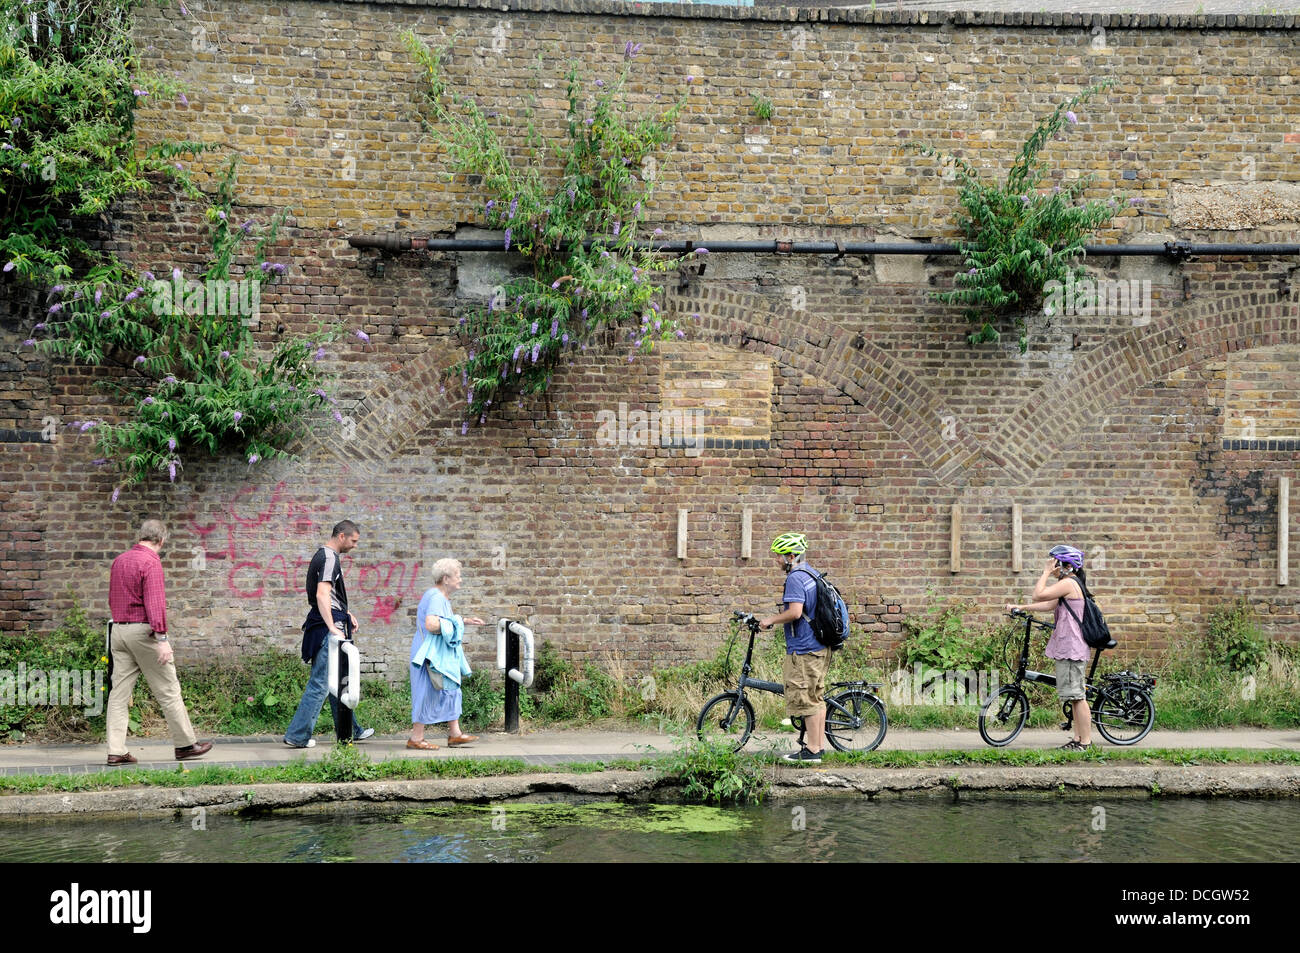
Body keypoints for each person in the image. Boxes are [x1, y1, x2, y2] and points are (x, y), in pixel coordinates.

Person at [105, 520, 212, 765]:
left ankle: (116, 750)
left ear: (141, 536)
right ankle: (185, 745)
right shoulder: (150, 562)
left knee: (119, 694)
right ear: (161, 541)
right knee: (168, 690)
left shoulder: (120, 560)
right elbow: (154, 603)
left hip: (118, 631)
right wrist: (162, 639)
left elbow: (113, 597)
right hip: (143, 633)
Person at [283, 520, 375, 748]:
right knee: (322, 683)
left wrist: (346, 613)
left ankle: (352, 730)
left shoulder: (323, 556)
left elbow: (330, 597)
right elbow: (322, 594)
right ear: (341, 536)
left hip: (330, 622)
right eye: (353, 540)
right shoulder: (329, 557)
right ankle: (297, 735)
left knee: (337, 680)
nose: (355, 546)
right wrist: (333, 626)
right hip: (327, 628)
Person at [1007, 544, 1092, 750]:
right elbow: (1048, 604)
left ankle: (1086, 742)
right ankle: (1077, 740)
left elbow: (1039, 594)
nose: (1053, 567)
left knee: (1078, 696)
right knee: (1073, 696)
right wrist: (1023, 608)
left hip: (1072, 648)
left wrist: (1045, 572)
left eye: (1056, 563)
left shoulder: (1069, 583)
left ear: (1066, 565)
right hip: (1068, 646)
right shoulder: (1068, 585)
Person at [759, 533, 830, 763]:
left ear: (791, 556)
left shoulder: (795, 578)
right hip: (819, 646)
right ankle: (817, 747)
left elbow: (796, 613)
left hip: (804, 648)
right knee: (816, 697)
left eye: (779, 556)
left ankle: (811, 751)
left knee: (807, 699)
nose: (776, 561)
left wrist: (770, 619)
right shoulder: (811, 572)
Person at [407, 558, 484, 750]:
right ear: (445, 578)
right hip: (430, 655)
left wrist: (463, 620)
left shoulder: (440, 598)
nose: (460, 580)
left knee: (451, 689)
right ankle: (416, 739)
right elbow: (432, 624)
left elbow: (444, 621)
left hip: (439, 655)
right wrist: (456, 622)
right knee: (426, 692)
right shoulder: (436, 597)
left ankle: (455, 734)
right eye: (457, 576)